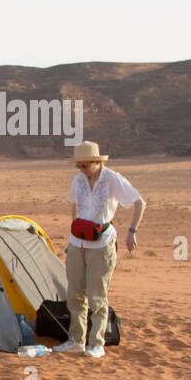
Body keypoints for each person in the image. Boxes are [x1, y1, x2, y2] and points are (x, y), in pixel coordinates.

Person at [53, 141, 145, 359]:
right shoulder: (78, 180)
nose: (81, 170)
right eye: (79, 166)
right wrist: (74, 228)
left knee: (97, 295)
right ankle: (75, 339)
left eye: (85, 166)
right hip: (77, 242)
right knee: (75, 293)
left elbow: (139, 202)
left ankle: (96, 342)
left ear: (96, 162)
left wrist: (132, 231)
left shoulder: (112, 179)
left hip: (102, 243)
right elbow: (74, 204)